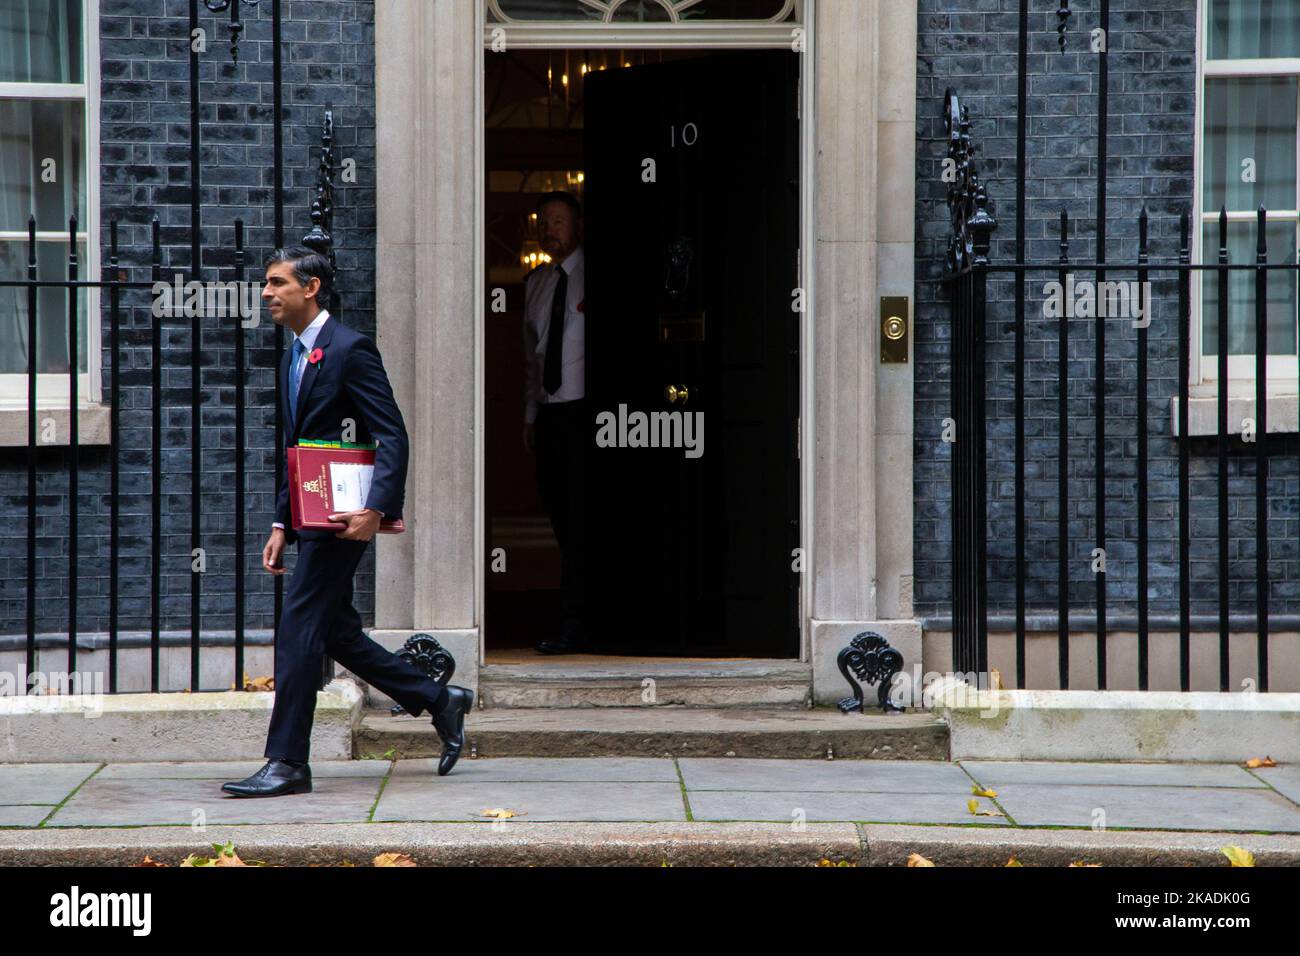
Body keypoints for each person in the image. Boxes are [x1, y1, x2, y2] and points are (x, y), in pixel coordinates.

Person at [222, 248, 474, 798]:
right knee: (334, 631)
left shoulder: (351, 349)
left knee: (297, 632)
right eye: (266, 284)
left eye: (276, 283)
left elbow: (392, 433)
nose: (266, 293)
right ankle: (437, 698)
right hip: (308, 514)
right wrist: (281, 522)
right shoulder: (295, 353)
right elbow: (297, 448)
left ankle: (288, 762)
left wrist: (377, 510)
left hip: (343, 517)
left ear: (310, 287)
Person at [522, 191, 589, 654]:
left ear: (578, 226)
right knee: (562, 521)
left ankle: (581, 622)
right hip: (551, 415)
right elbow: (533, 358)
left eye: (560, 221)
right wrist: (530, 414)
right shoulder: (536, 283)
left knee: (586, 520)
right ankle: (573, 618)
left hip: (591, 416)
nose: (551, 229)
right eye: (545, 222)